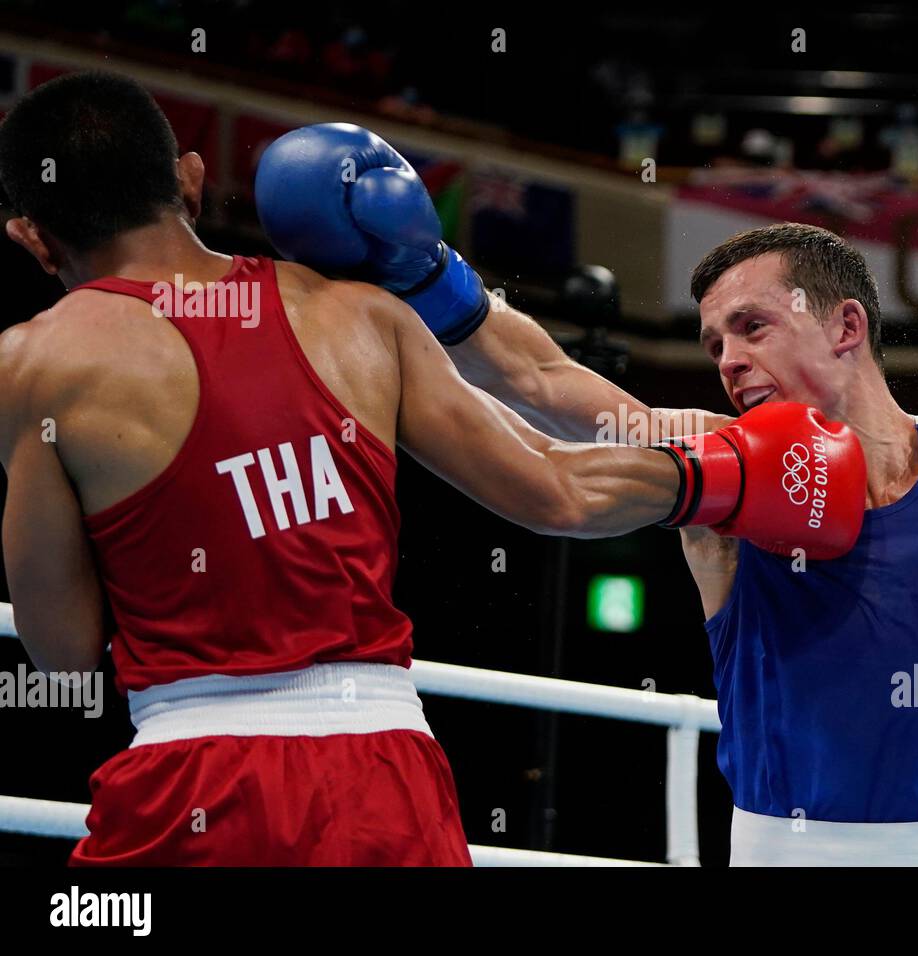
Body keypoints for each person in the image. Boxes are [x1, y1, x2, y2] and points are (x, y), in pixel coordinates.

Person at [259, 128, 918, 865]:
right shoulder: (722, 465)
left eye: (750, 325)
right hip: (776, 843)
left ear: (845, 325)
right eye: (713, 342)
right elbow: (549, 386)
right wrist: (430, 272)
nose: (728, 360)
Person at [0, 72, 865, 865]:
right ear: (189, 178)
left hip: (187, 783)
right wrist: (736, 476)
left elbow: (66, 652)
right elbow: (559, 489)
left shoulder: (31, 366)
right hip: (382, 779)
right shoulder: (359, 317)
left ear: (32, 237)